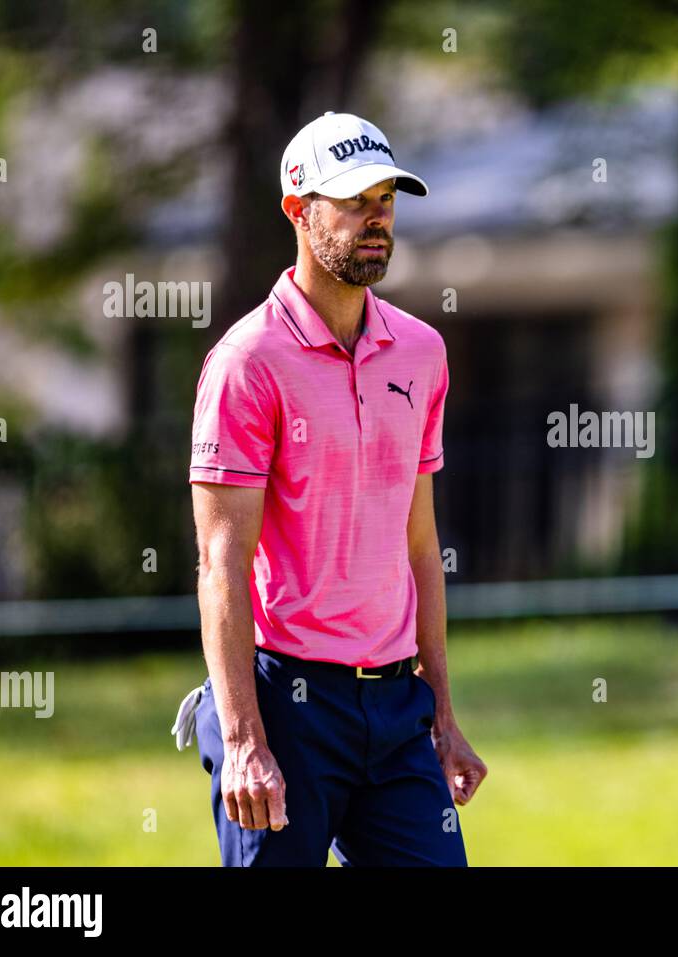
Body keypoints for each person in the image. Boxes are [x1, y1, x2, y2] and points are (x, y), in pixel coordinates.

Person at [182, 111, 486, 866]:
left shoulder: (422, 351)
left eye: (386, 197)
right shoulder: (246, 362)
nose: (377, 216)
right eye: (354, 199)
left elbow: (420, 545)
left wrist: (442, 712)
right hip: (287, 705)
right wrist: (247, 738)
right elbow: (221, 565)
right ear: (298, 207)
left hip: (395, 710)